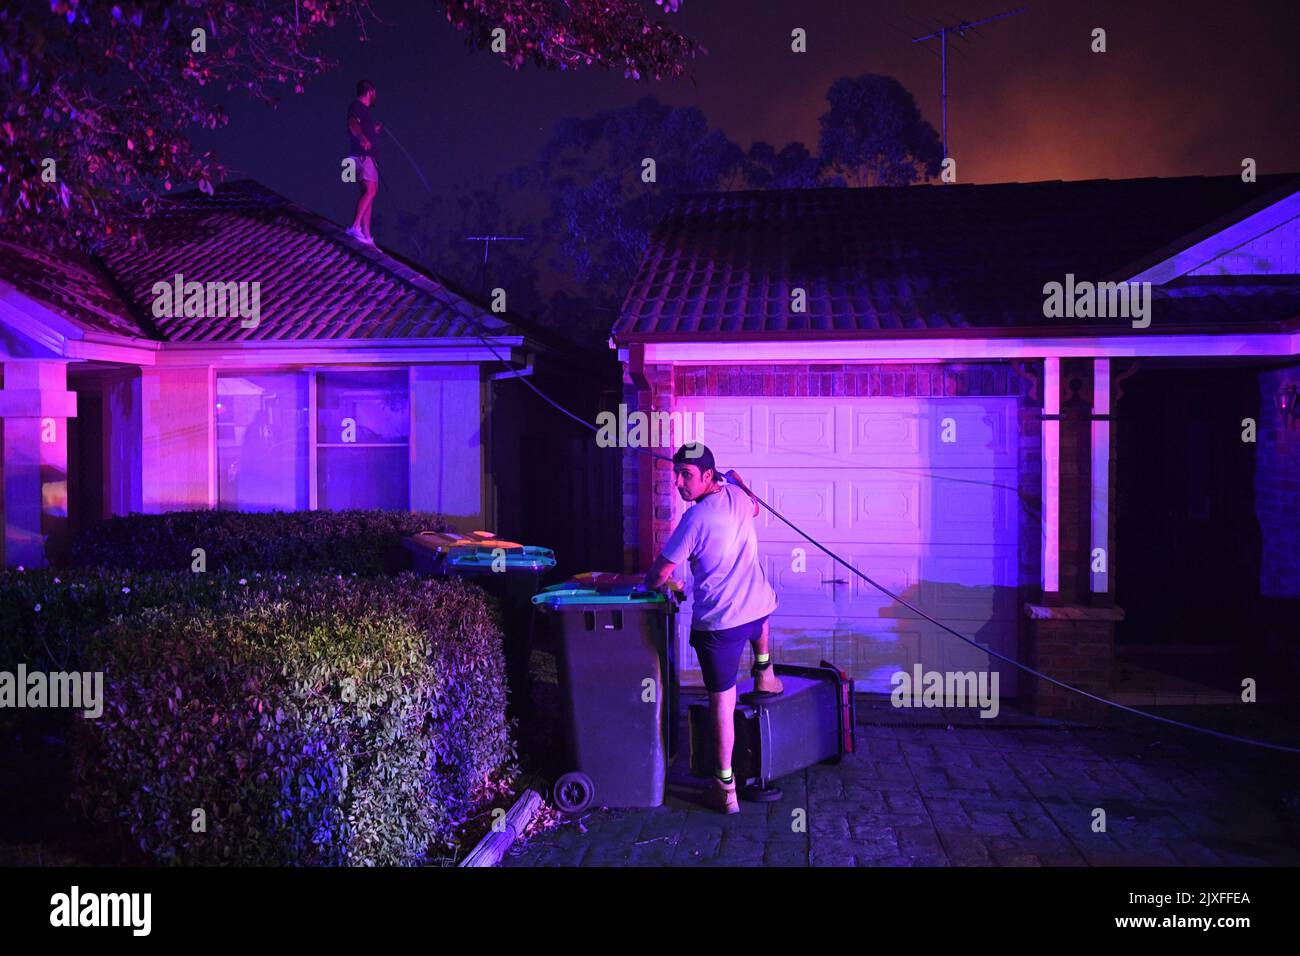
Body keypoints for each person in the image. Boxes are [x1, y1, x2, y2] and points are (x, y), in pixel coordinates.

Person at [642, 442, 782, 814]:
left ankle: (725, 787)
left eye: (685, 475)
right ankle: (765, 670)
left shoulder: (694, 520)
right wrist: (736, 478)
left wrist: (657, 586)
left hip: (720, 625)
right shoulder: (738, 496)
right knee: (765, 605)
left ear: (707, 476)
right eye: (676, 474)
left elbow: (659, 574)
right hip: (755, 614)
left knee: (723, 701)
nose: (677, 482)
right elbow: (753, 503)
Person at [346, 80, 381, 245]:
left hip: (362, 157)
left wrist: (372, 131)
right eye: (375, 93)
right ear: (370, 92)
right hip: (362, 156)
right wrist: (362, 137)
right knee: (371, 190)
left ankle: (366, 235)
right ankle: (355, 226)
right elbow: (352, 123)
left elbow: (359, 125)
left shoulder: (363, 110)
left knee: (369, 192)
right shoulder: (358, 106)